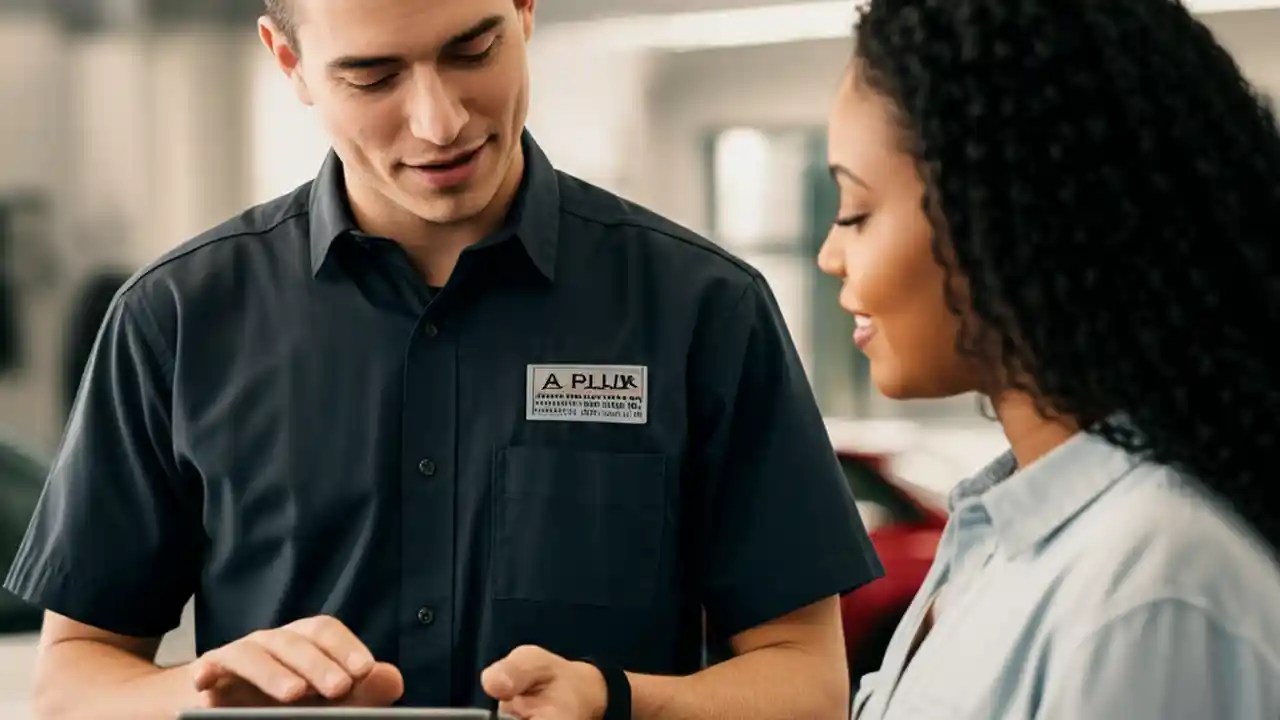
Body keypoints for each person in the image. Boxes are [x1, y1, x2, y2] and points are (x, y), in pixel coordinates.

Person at [3, 1, 881, 718]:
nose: (441, 121)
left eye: (473, 50)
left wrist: (618, 702)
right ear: (289, 61)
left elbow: (807, 684)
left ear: (525, 11)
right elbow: (73, 682)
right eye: (372, 76)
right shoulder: (174, 320)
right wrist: (206, 698)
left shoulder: (705, 311)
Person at [817, 0, 1280, 718]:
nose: (829, 254)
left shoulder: (1151, 593)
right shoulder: (997, 537)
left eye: (855, 212)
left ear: (999, 207)